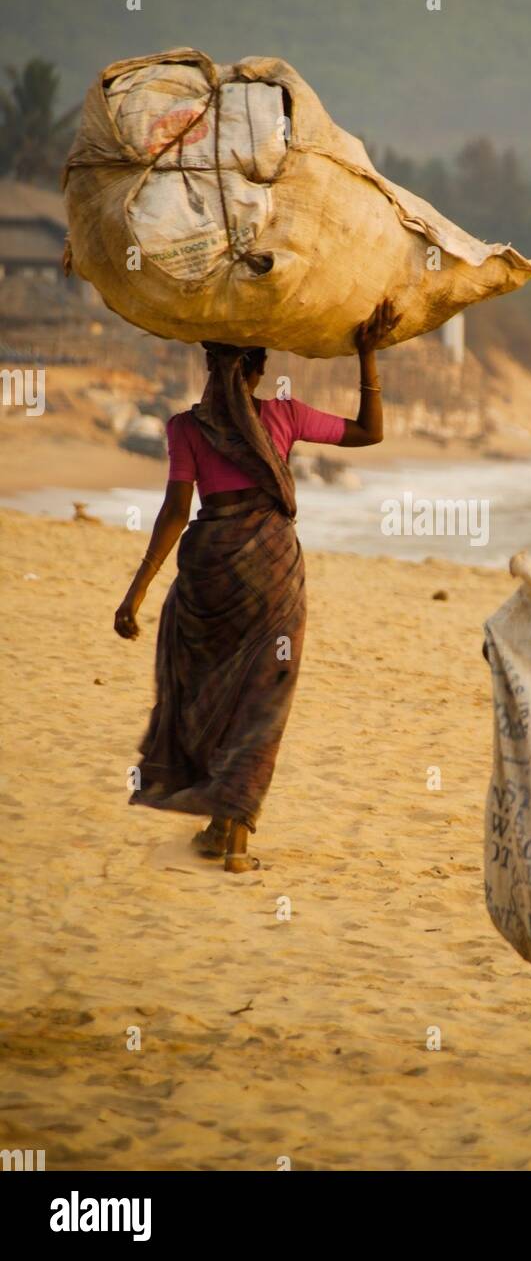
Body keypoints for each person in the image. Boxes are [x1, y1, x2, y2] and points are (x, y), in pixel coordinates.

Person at [114, 299, 398, 873]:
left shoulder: (184, 428)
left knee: (210, 694)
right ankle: (235, 837)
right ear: (257, 371)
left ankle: (220, 825)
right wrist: (367, 352)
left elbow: (175, 511)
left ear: (211, 369)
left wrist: (136, 591)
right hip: (271, 573)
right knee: (262, 699)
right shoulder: (284, 418)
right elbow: (370, 432)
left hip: (207, 577)